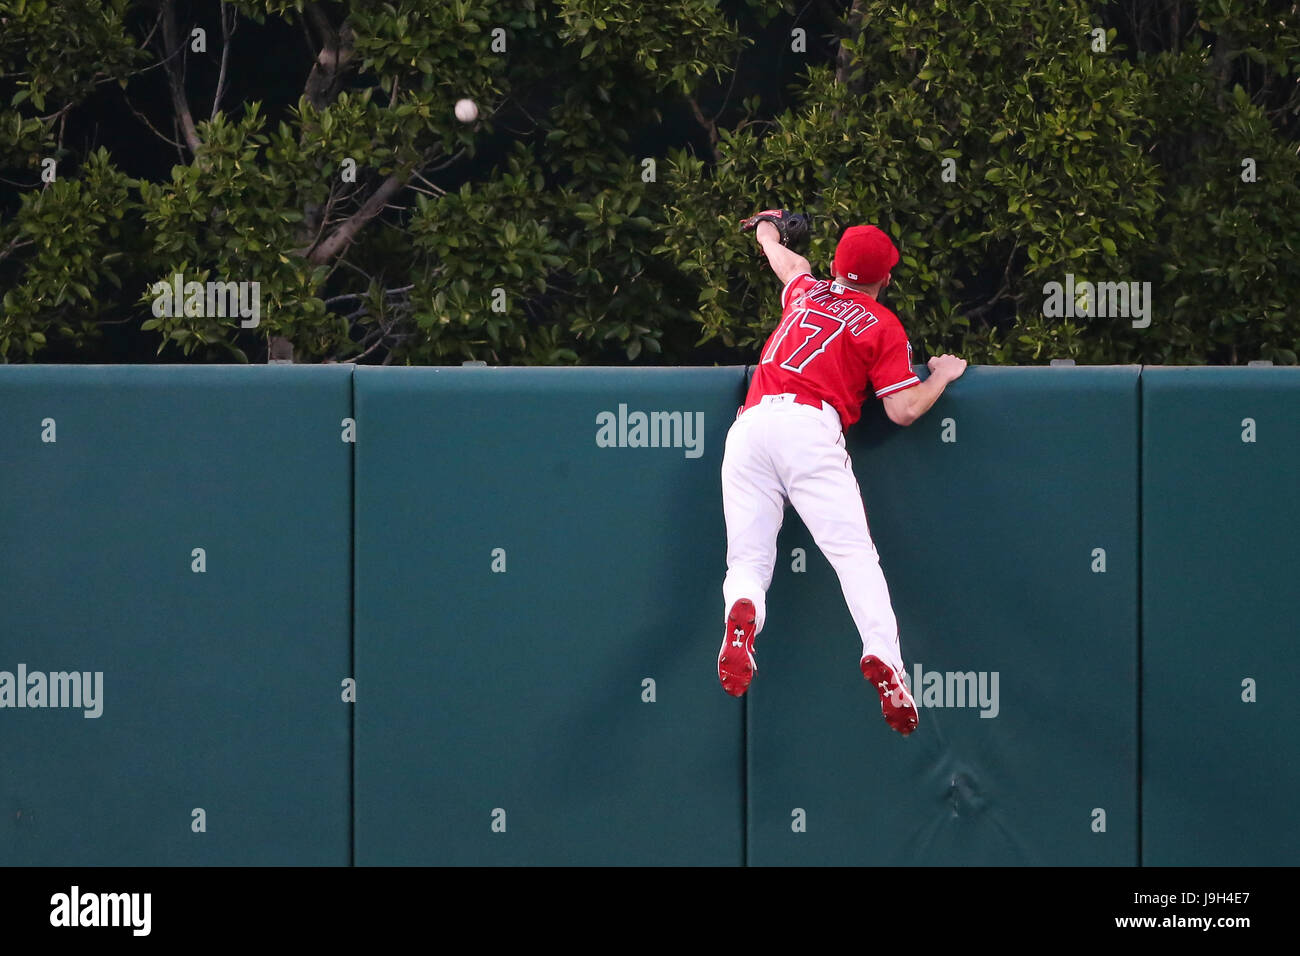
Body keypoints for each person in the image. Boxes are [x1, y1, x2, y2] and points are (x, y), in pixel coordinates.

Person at [717, 216, 967, 735]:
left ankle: (742, 611)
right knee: (853, 557)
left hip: (750, 425)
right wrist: (941, 375)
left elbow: (790, 265)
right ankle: (884, 656)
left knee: (748, 560)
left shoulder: (805, 291)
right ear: (887, 280)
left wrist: (766, 231)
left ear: (834, 266)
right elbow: (901, 410)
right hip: (808, 428)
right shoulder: (881, 324)